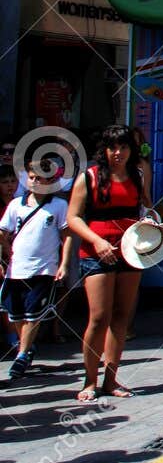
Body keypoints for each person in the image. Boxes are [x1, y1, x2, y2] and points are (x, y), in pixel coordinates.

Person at [65, 125, 146, 400]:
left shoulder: (137, 175)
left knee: (122, 316)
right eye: (113, 147)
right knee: (99, 317)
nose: (118, 153)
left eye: (123, 147)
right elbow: (73, 217)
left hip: (130, 251)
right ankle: (89, 381)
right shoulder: (88, 177)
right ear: (105, 150)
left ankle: (111, 380)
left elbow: (142, 208)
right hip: (96, 251)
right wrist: (97, 241)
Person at [1, 160, 72, 380]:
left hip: (43, 268)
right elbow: (3, 231)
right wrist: (4, 253)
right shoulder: (16, 205)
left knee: (33, 314)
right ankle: (27, 346)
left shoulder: (58, 205)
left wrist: (64, 263)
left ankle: (22, 354)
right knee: (16, 313)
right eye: (32, 178)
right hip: (16, 268)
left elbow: (67, 235)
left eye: (40, 178)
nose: (34, 182)